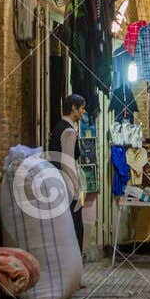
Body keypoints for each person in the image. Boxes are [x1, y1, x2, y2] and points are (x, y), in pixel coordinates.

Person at [50, 93, 88, 251]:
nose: (83, 112)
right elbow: (67, 161)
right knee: (75, 226)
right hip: (67, 184)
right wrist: (76, 188)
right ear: (73, 108)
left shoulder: (59, 126)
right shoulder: (69, 131)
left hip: (58, 182)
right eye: (82, 108)